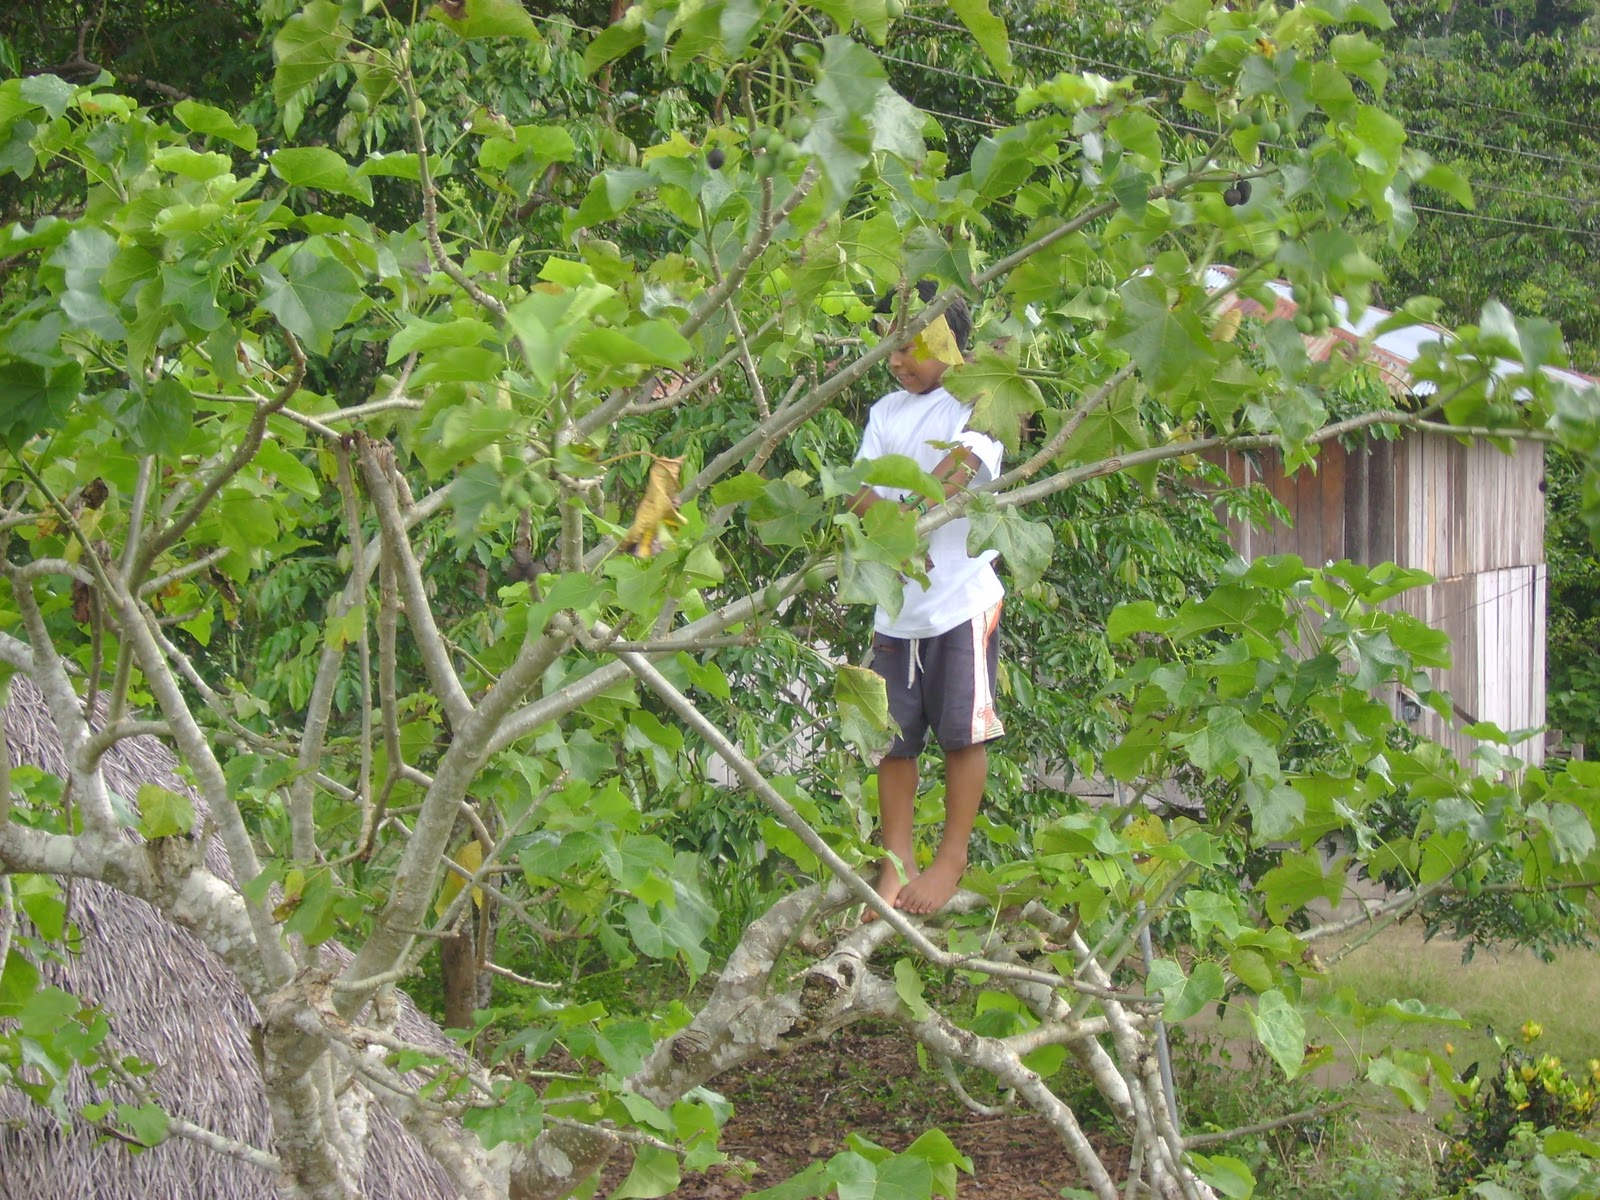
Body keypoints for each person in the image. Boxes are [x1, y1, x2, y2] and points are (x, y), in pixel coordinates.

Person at [848, 283, 1005, 917]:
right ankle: (897, 862)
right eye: (891, 342)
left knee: (963, 734)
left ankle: (950, 860)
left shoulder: (976, 402)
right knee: (892, 738)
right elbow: (860, 491)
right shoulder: (887, 411)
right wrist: (892, 524)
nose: (896, 358)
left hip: (958, 602)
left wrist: (902, 519)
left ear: (952, 345)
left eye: (912, 344)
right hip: (897, 605)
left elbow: (959, 473)